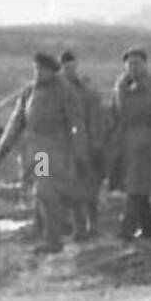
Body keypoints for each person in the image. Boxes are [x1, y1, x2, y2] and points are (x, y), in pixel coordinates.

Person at [0, 53, 84, 254]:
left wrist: (79, 150)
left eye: (42, 70)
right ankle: (52, 233)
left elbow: (76, 123)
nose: (38, 73)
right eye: (35, 69)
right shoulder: (29, 91)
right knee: (45, 193)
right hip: (37, 152)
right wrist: (3, 148)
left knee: (47, 192)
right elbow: (16, 121)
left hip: (57, 151)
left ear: (52, 71)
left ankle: (55, 238)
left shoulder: (64, 91)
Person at [107, 47, 151, 240]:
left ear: (145, 64)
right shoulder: (120, 86)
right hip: (124, 142)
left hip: (144, 142)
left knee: (135, 187)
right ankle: (148, 228)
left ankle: (126, 230)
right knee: (137, 187)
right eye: (129, 64)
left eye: (137, 63)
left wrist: (149, 137)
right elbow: (113, 112)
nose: (133, 67)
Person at [60, 49, 107, 239]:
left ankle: (91, 225)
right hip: (60, 148)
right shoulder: (55, 90)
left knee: (89, 189)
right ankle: (73, 226)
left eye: (72, 66)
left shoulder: (87, 91)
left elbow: (94, 119)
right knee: (59, 187)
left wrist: (96, 144)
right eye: (66, 67)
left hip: (85, 146)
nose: (70, 70)